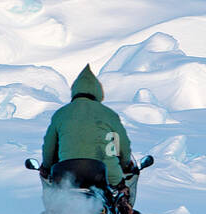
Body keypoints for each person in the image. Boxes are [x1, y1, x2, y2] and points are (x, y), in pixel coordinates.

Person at [40, 63, 139, 203]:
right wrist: (125, 165)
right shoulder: (109, 114)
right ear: (98, 92)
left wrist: (46, 167)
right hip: (106, 175)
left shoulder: (60, 114)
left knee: (55, 201)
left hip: (66, 175)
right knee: (122, 200)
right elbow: (123, 146)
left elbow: (49, 148)